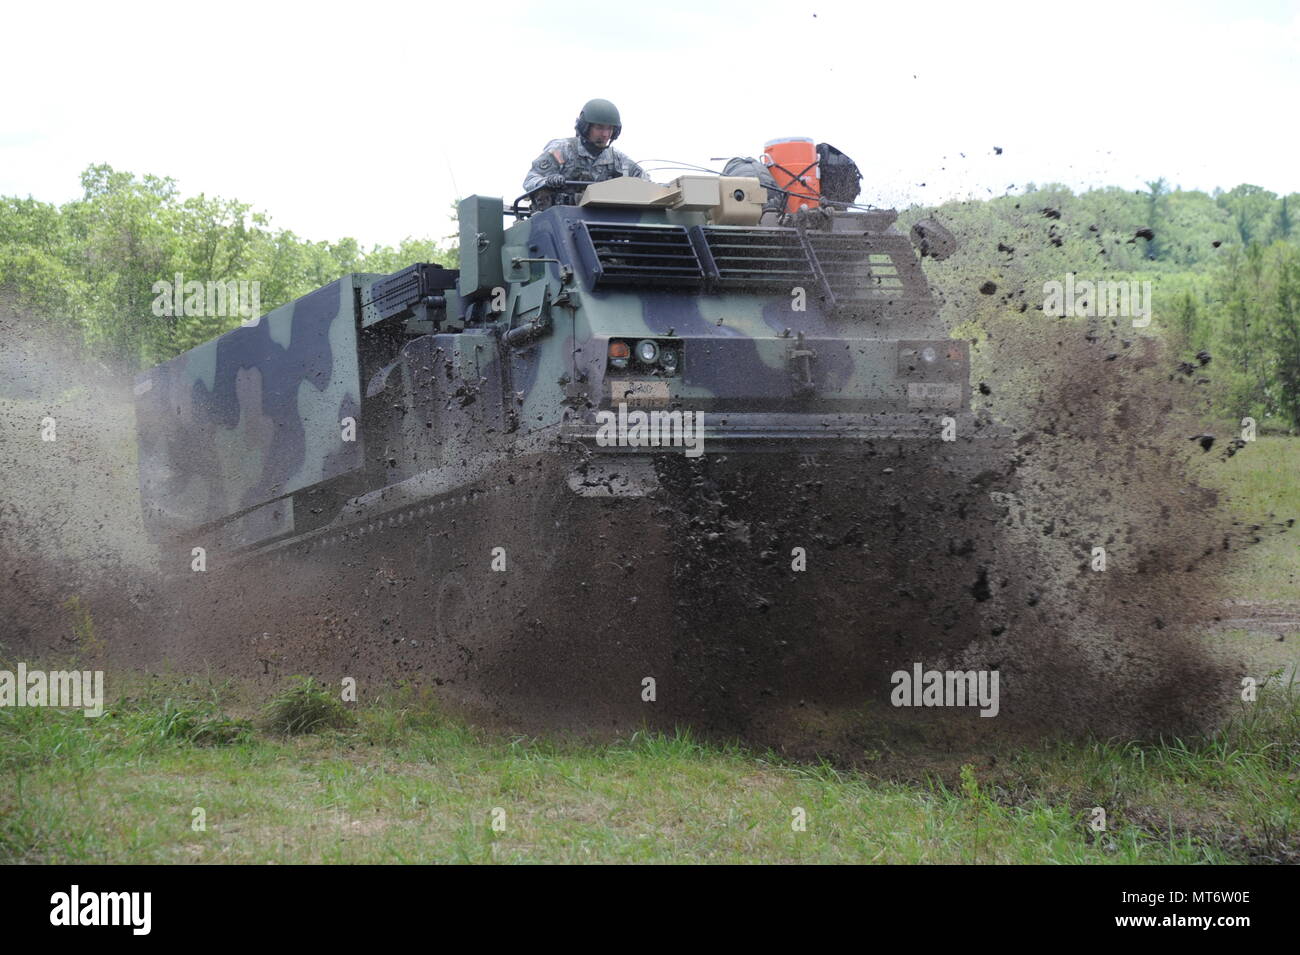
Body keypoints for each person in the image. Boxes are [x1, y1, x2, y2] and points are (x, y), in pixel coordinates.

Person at [522, 99, 650, 211]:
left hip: (600, 221)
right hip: (557, 221)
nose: (605, 134)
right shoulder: (562, 149)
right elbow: (530, 180)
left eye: (610, 129)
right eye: (599, 128)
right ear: (585, 127)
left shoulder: (616, 159)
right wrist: (547, 181)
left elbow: (646, 182)